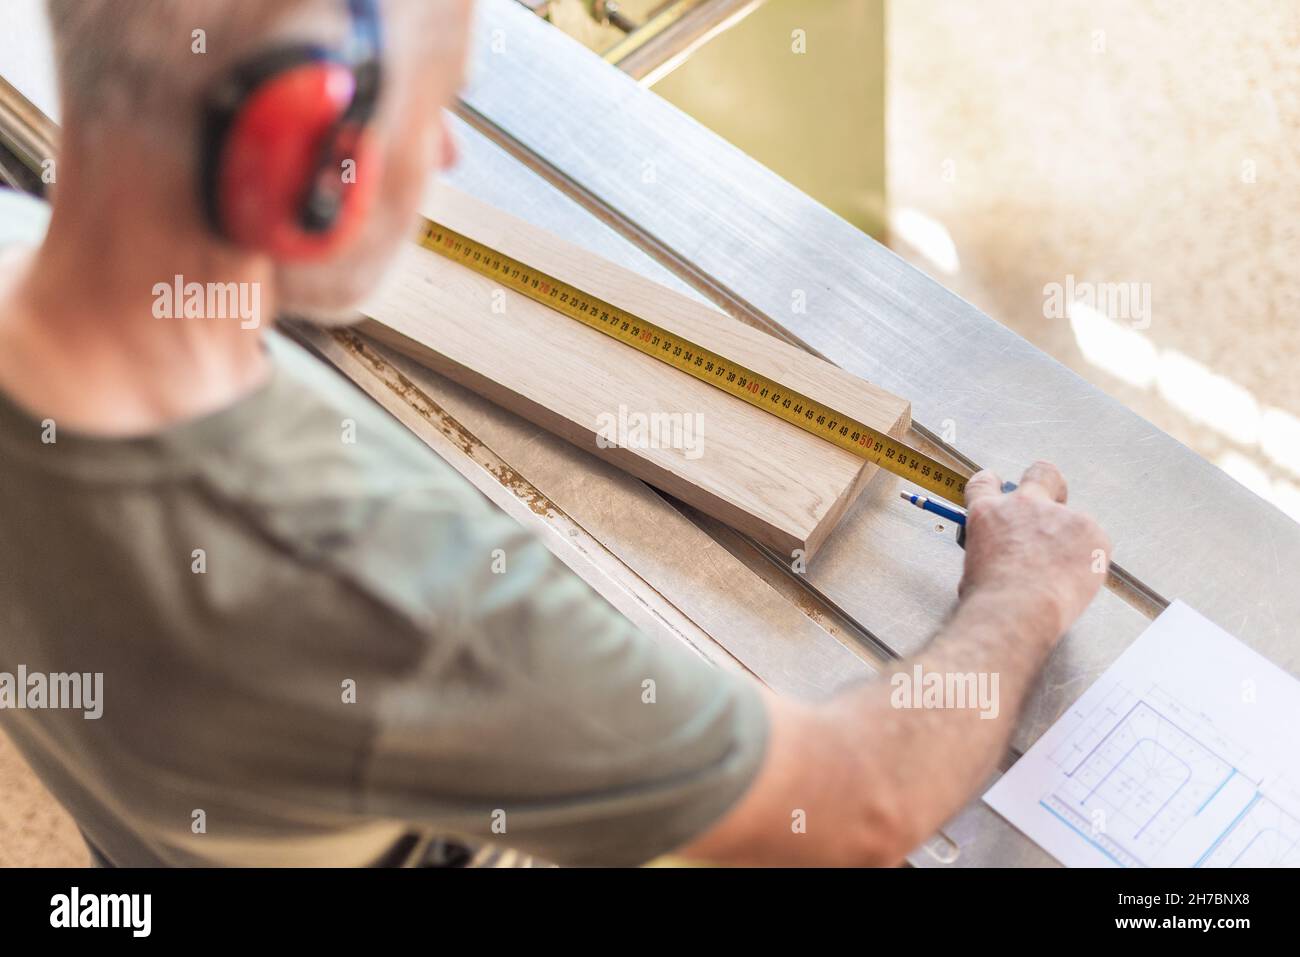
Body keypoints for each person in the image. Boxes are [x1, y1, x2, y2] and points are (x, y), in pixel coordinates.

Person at [0, 0, 1110, 867]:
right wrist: (1019, 593)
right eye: (427, 113)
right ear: (298, 166)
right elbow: (857, 800)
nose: (444, 160)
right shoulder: (386, 591)